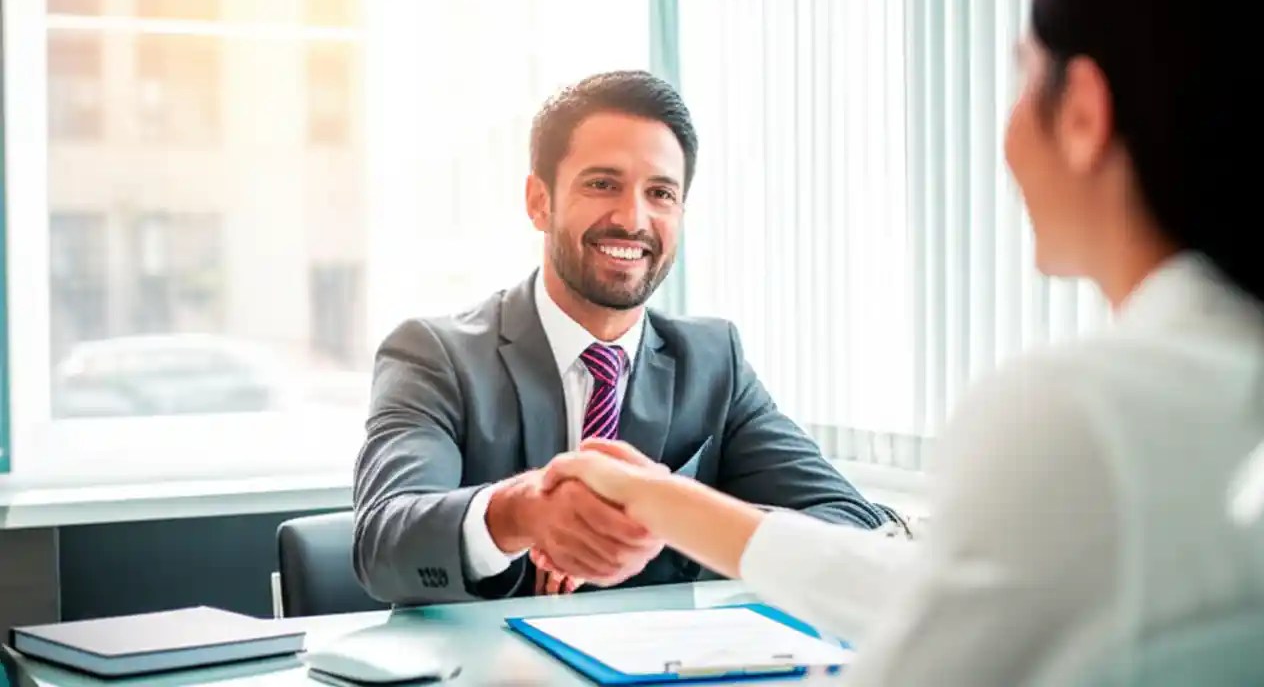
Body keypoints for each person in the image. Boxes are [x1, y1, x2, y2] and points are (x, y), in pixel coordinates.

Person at [539, 0, 1264, 684]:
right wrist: (662, 502)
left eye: (1023, 79)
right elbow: (938, 590)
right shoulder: (1233, 379)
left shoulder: (1079, 411)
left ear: (1083, 111)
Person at [353, 71, 887, 605]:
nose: (633, 219)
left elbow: (850, 525)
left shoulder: (713, 362)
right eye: (602, 184)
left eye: (660, 193)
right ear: (540, 200)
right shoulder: (435, 354)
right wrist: (525, 513)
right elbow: (383, 544)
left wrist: (670, 515)